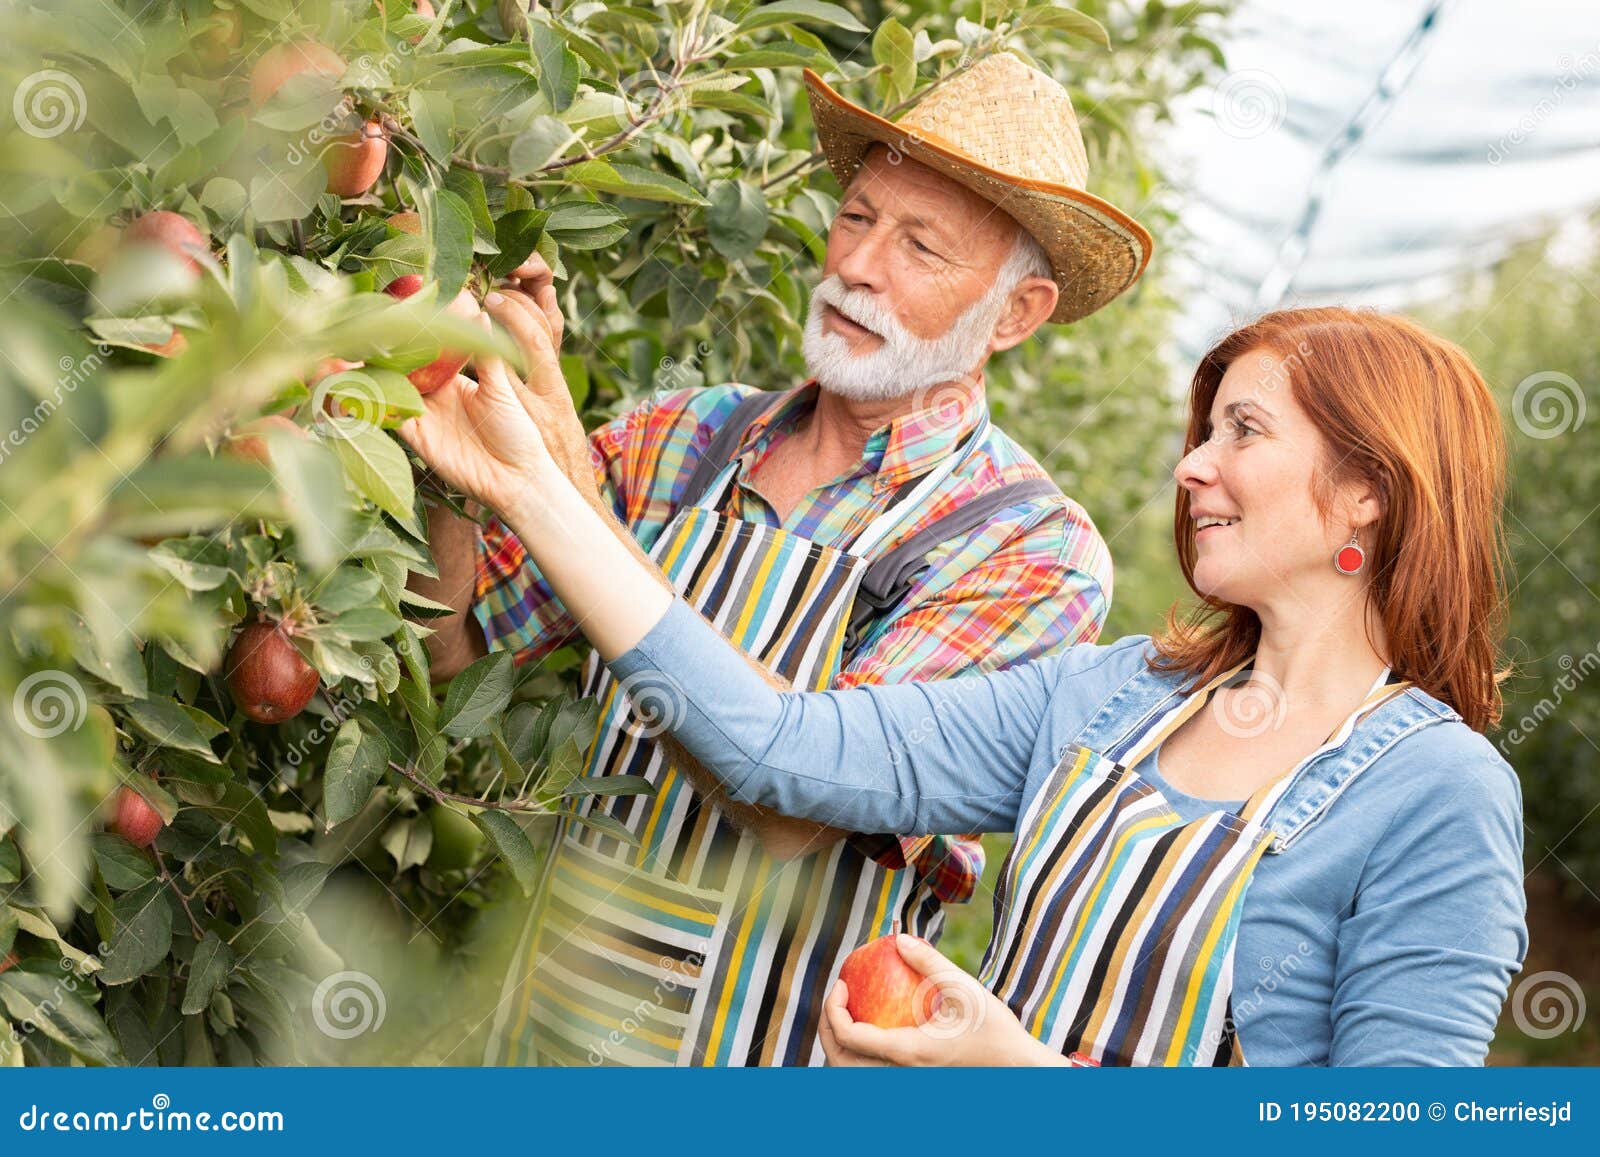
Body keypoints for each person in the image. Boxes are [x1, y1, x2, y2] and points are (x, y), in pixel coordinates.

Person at [402, 304, 1528, 1066]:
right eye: (1203, 430)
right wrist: (529, 486)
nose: (1193, 465)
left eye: (1243, 430)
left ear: (1368, 490)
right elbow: (774, 746)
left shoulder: (1435, 793)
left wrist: (1017, 1078)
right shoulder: (1109, 698)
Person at [414, 53, 1153, 1065]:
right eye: (857, 217)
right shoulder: (680, 437)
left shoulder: (1024, 548)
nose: (859, 264)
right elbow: (452, 643)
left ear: (1015, 313)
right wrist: (454, 446)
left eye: (921, 245)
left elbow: (792, 799)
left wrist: (562, 491)